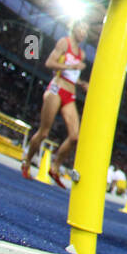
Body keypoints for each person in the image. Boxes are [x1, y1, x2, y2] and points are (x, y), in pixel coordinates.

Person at [22, 19, 90, 187]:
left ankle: (55, 167)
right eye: (82, 28)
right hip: (56, 88)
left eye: (86, 30)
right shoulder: (63, 43)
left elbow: (73, 75)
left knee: (75, 136)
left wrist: (81, 83)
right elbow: (49, 63)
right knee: (44, 132)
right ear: (74, 27)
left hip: (70, 92)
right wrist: (73, 68)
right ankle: (27, 161)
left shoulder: (82, 54)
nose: (84, 32)